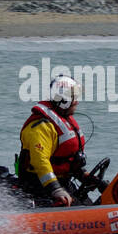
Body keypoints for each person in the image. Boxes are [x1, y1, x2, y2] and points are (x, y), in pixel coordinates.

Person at [17, 76, 86, 207]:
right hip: (41, 188)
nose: (77, 102)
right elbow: (40, 161)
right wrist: (56, 189)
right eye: (74, 98)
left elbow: (67, 158)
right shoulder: (41, 126)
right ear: (64, 100)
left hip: (63, 183)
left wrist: (84, 176)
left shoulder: (62, 120)